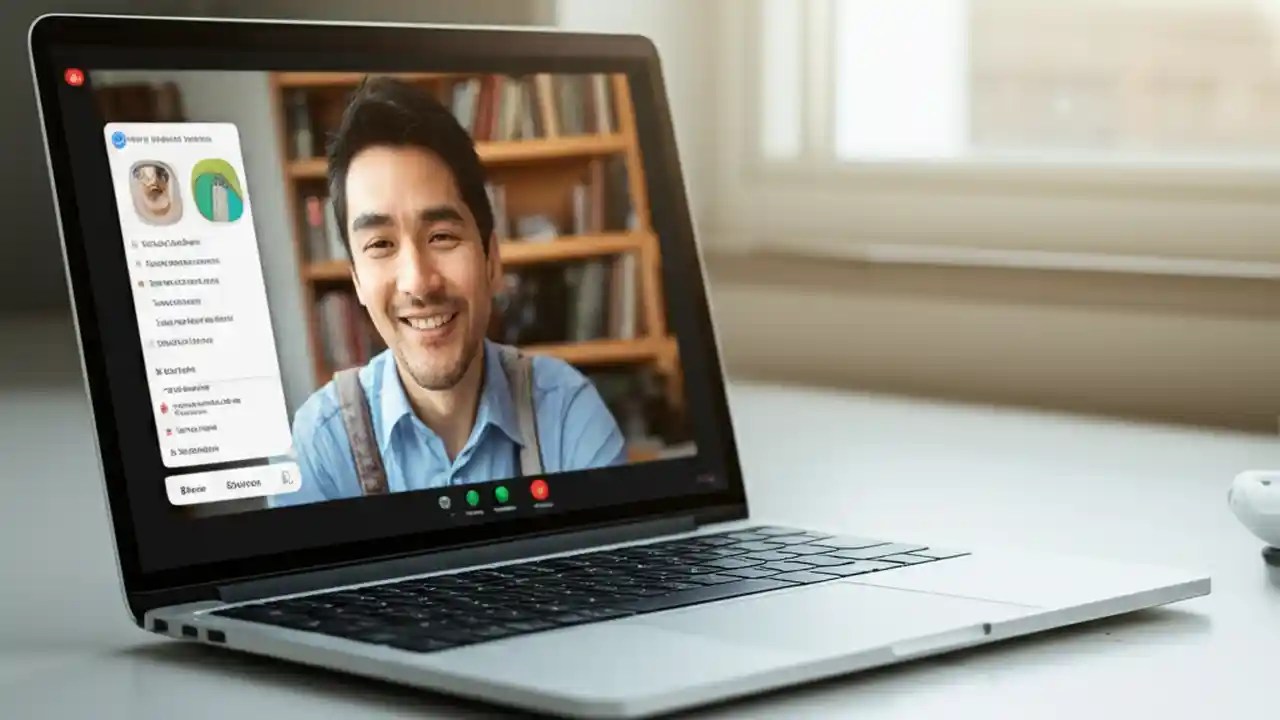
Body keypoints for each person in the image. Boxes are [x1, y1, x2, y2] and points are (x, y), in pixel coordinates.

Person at [274, 76, 626, 506]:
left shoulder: (569, 415)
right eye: (380, 245)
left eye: (441, 236)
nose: (418, 282)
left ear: (491, 259)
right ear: (357, 281)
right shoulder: (319, 448)